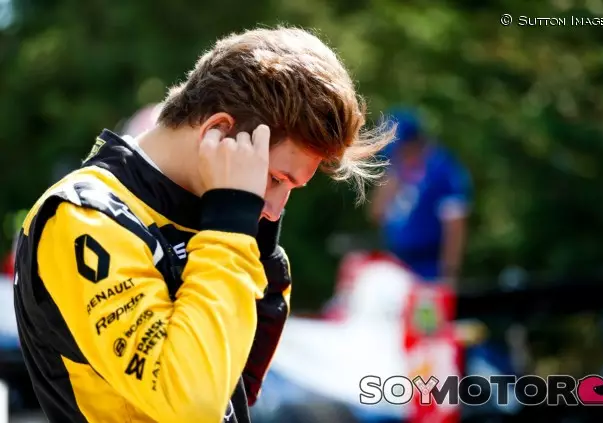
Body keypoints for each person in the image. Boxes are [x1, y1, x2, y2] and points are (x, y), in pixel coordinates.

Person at [13, 27, 394, 423]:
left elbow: (237, 393)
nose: (275, 208)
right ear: (218, 131)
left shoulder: (208, 216)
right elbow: (192, 406)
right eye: (277, 179)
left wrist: (248, 240)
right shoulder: (84, 217)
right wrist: (230, 228)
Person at [370, 108, 472, 288]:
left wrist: (448, 275)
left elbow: (455, 227)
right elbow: (377, 214)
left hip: (429, 267)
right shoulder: (396, 169)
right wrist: (388, 187)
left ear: (414, 142)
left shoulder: (443, 170)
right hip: (397, 264)